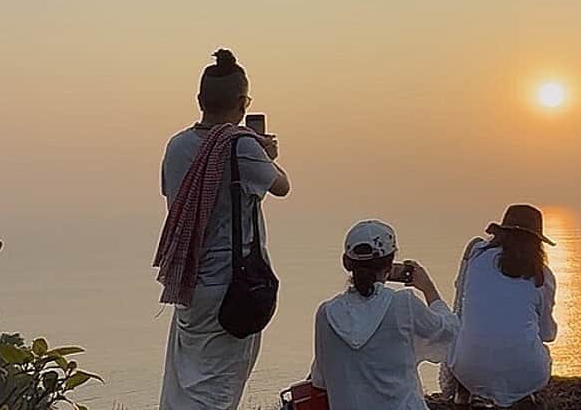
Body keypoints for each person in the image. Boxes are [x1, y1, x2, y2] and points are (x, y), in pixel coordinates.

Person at [155, 49, 291, 410]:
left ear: (200, 100)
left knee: (185, 382)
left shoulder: (177, 146)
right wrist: (267, 155)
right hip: (230, 285)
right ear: (243, 102)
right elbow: (281, 186)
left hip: (188, 281)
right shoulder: (241, 145)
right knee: (218, 389)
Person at [311, 220, 459, 410]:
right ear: (389, 265)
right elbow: (450, 333)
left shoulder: (326, 313)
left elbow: (320, 380)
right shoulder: (403, 304)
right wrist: (428, 288)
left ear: (346, 263)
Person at [448, 204, 558, 409]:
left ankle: (463, 395)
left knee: (464, 331)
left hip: (469, 369)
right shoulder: (542, 276)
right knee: (539, 351)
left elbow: (462, 298)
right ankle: (523, 395)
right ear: (537, 243)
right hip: (527, 373)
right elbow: (547, 334)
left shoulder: (477, 256)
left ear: (501, 233)